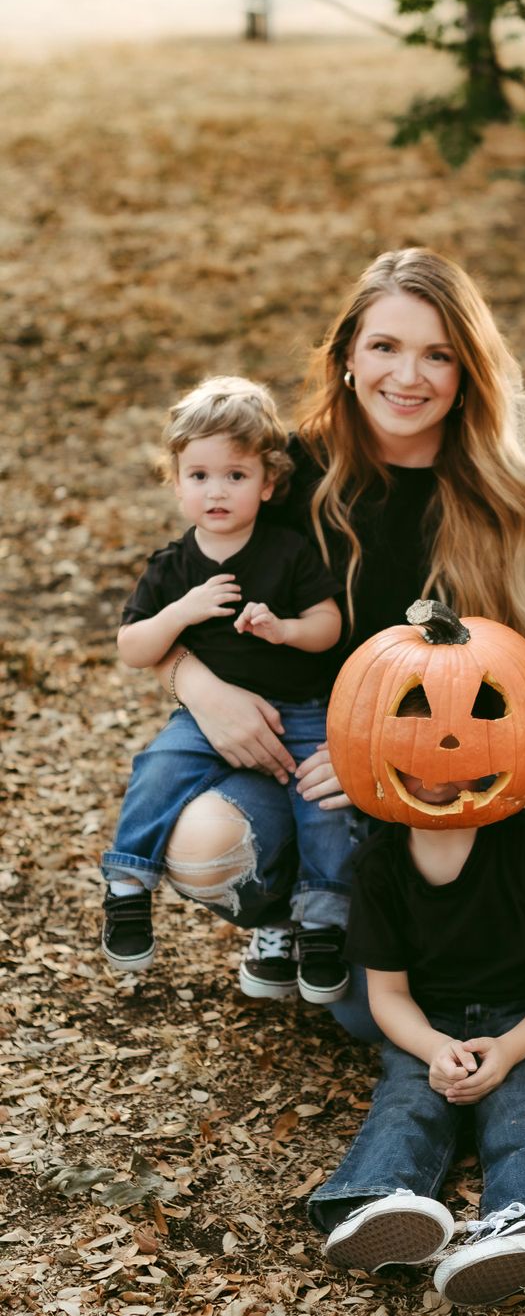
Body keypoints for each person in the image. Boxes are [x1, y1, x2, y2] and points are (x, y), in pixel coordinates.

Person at [148, 251, 525, 1024]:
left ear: (468, 370)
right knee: (204, 844)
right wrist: (199, 687)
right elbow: (168, 603)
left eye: (438, 354)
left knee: (372, 1017)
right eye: (385, 347)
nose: (409, 375)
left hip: (430, 773)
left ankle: (348, 910)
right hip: (295, 762)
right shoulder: (280, 475)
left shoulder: (502, 495)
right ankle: (285, 915)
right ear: (345, 359)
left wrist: (382, 756)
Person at [308, 677, 525, 1307]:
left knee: (520, 1106)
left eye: (457, 756)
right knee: (407, 1099)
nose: (438, 773)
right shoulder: (381, 864)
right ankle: (378, 1201)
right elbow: (387, 996)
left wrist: (512, 1048)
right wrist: (436, 1047)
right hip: (429, 1018)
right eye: (417, 759)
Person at [100, 377, 347, 1002]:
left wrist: (284, 629)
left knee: (323, 805)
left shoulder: (287, 552)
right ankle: (129, 884)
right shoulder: (173, 568)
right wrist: (180, 612)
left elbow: (329, 626)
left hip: (303, 710)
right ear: (176, 482)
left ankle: (320, 922)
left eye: (235, 476)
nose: (217, 491)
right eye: (200, 475)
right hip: (208, 715)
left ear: (268, 484)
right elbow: (133, 647)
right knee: (158, 764)